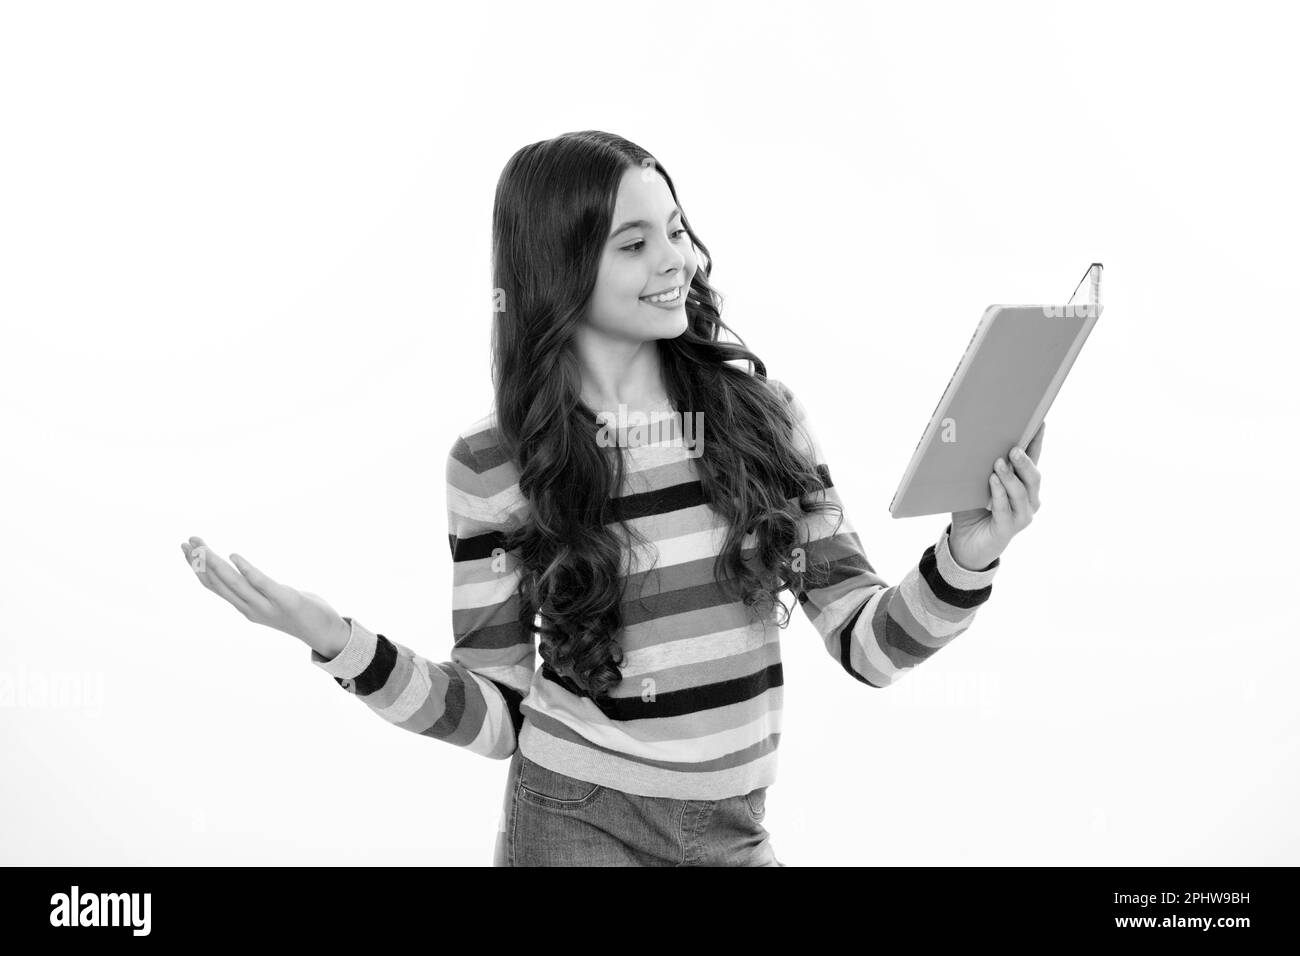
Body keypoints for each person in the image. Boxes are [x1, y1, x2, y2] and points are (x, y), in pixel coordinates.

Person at [180, 130, 1044, 866]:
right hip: (575, 825)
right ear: (559, 270)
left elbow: (869, 647)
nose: (677, 259)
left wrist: (970, 551)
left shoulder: (764, 420)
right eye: (634, 244)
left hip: (735, 830)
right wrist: (330, 639)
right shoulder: (493, 463)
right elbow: (494, 714)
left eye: (674, 229)